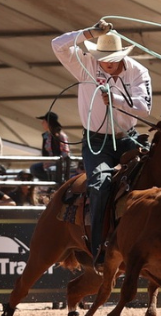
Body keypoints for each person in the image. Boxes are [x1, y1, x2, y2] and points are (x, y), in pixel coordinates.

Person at [52, 20, 152, 265]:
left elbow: (145, 108)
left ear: (121, 57)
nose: (105, 63)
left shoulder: (138, 72)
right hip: (95, 140)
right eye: (102, 57)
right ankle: (99, 248)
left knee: (155, 178)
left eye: (111, 58)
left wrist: (115, 99)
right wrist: (89, 33)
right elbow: (58, 45)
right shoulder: (86, 63)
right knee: (99, 183)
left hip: (127, 138)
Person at [30, 111, 71, 183]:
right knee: (34, 168)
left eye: (44, 121)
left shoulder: (61, 135)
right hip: (48, 164)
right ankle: (50, 185)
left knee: (52, 170)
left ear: (49, 123)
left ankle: (55, 186)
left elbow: (65, 152)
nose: (42, 123)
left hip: (58, 164)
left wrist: (56, 161)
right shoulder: (46, 136)